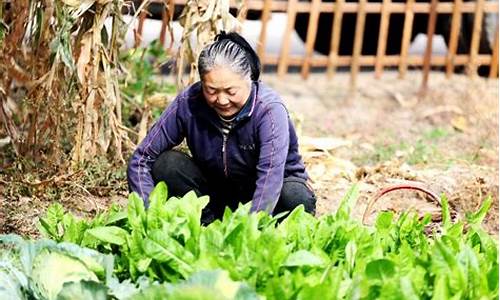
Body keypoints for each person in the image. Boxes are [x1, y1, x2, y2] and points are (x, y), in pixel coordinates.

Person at [127, 31, 316, 223]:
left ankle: (266, 232)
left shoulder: (269, 111)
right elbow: (142, 159)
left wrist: (246, 232)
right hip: (217, 193)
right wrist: (147, 214)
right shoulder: (189, 102)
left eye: (231, 91)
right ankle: (208, 227)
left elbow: (270, 178)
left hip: (267, 194)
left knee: (295, 197)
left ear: (250, 79)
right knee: (166, 164)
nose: (222, 100)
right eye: (211, 91)